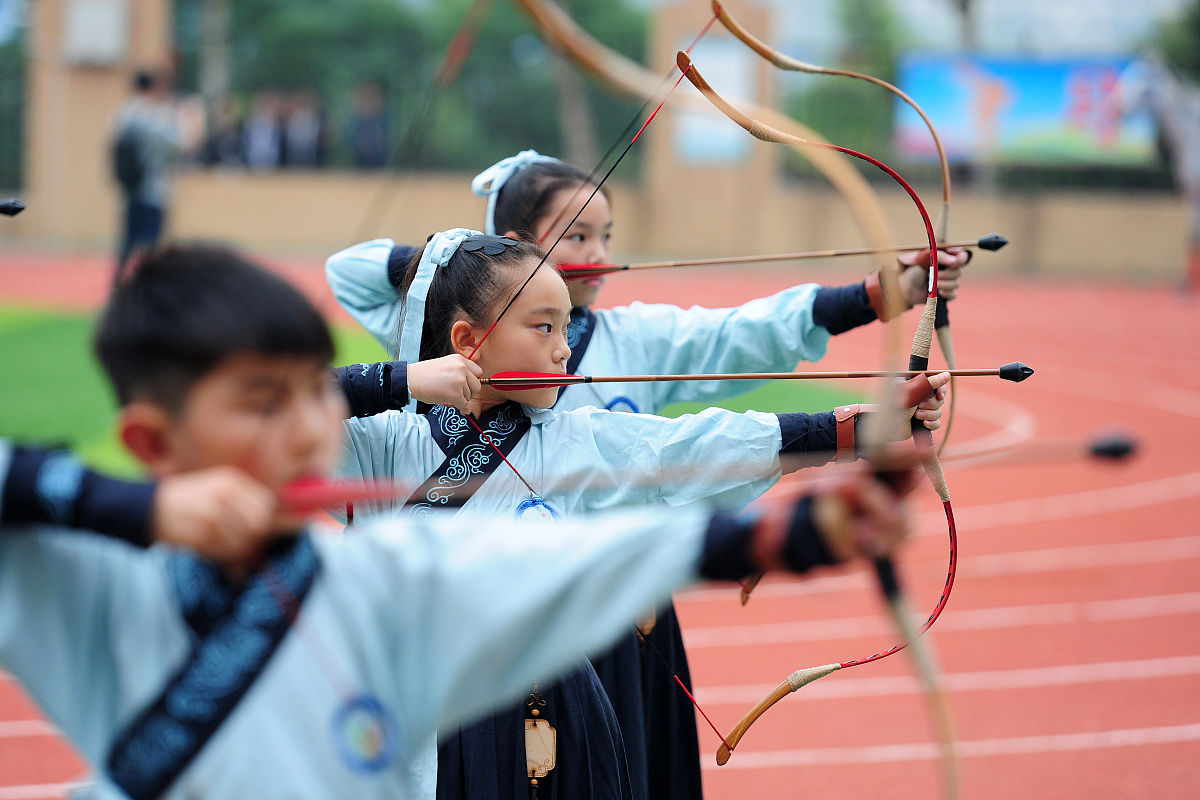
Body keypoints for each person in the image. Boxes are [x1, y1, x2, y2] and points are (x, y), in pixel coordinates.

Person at [0, 244, 917, 799]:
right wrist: (136, 506)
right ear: (151, 439)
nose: (307, 426)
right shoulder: (94, 586)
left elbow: (574, 563)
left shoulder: (377, 583)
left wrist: (796, 531)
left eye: (310, 397)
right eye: (259, 403)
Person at [325, 151, 965, 799]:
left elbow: (688, 447)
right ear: (467, 341)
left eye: (565, 327)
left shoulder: (574, 438)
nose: (563, 346)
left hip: (546, 708)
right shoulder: (384, 443)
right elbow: (264, 406)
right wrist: (405, 373)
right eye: (544, 326)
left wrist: (849, 429)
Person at [112, 69, 178, 285]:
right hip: (154, 187)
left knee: (129, 238)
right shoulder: (153, 116)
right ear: (152, 88)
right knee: (152, 239)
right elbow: (175, 144)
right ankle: (148, 283)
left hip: (130, 185)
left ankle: (119, 279)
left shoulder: (123, 114)